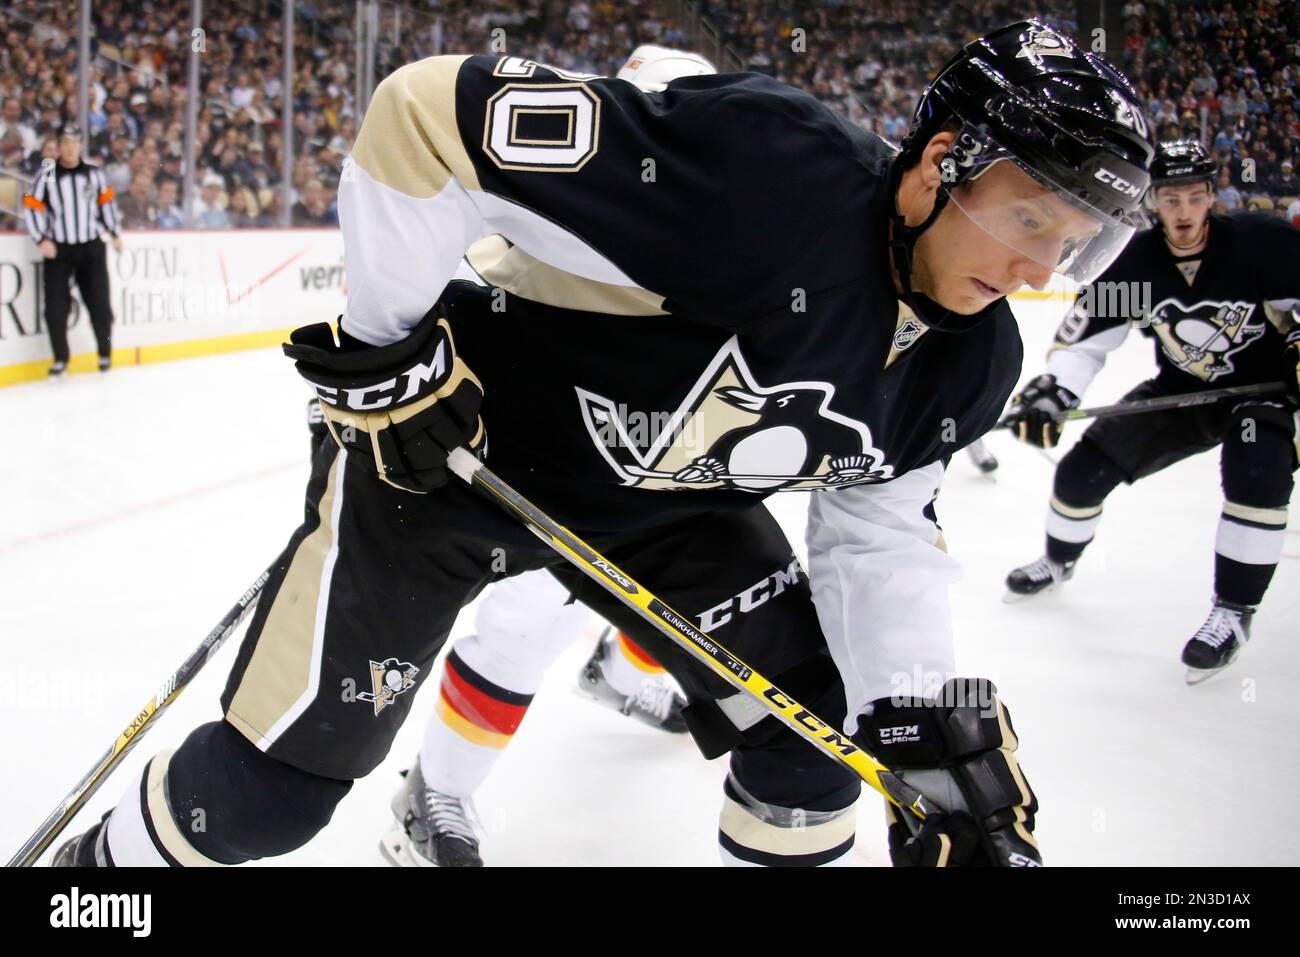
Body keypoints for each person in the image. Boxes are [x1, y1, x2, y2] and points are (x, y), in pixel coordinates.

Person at [54, 21, 1153, 869]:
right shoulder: (771, 181)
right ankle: (101, 880)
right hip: (446, 464)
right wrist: (385, 348)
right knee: (270, 797)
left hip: (663, 513)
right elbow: (427, 111)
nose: (1037, 272)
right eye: (1025, 221)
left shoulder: (973, 364)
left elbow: (877, 534)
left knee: (820, 748)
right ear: (941, 163)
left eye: (1074, 242)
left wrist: (913, 720)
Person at [1003, 140, 1300, 683]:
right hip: (1180, 392)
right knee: (1079, 474)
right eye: (1170, 199)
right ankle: (1059, 559)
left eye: (1193, 197)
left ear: (1211, 196)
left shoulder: (1265, 248)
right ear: (1153, 203)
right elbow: (1087, 343)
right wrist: (1053, 393)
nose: (1182, 212)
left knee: (1257, 473)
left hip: (1259, 393)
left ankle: (1233, 612)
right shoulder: (1136, 265)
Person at [21, 122, 123, 377]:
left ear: (80, 145)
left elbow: (106, 203)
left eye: (74, 142)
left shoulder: (94, 173)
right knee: (55, 307)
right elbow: (32, 205)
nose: (69, 147)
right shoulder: (48, 171)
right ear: (58, 146)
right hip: (60, 249)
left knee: (100, 303)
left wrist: (114, 233)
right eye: (64, 143)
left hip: (91, 247)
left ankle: (104, 353)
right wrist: (40, 239)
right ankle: (60, 358)